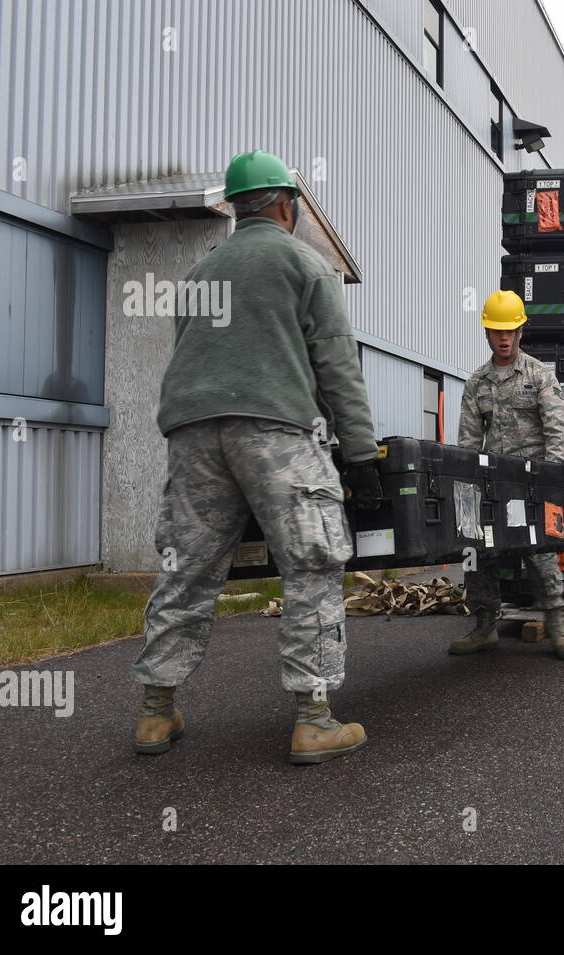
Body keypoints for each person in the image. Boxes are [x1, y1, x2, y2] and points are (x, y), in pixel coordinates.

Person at [131, 150, 384, 765]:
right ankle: (313, 718)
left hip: (192, 431)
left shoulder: (200, 273)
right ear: (284, 203)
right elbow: (336, 367)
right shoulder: (306, 264)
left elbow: (188, 353)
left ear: (235, 207)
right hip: (273, 428)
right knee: (312, 563)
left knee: (186, 568)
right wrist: (361, 456)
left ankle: (155, 713)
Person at [453, 290, 564, 659]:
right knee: (478, 552)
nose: (503, 337)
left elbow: (559, 432)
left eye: (510, 330)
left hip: (534, 485)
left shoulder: (540, 376)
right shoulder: (477, 383)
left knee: (541, 552)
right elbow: (468, 443)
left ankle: (556, 625)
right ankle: (484, 626)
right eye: (496, 331)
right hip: (493, 485)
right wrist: (468, 496)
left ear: (521, 330)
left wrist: (554, 486)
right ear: (487, 333)